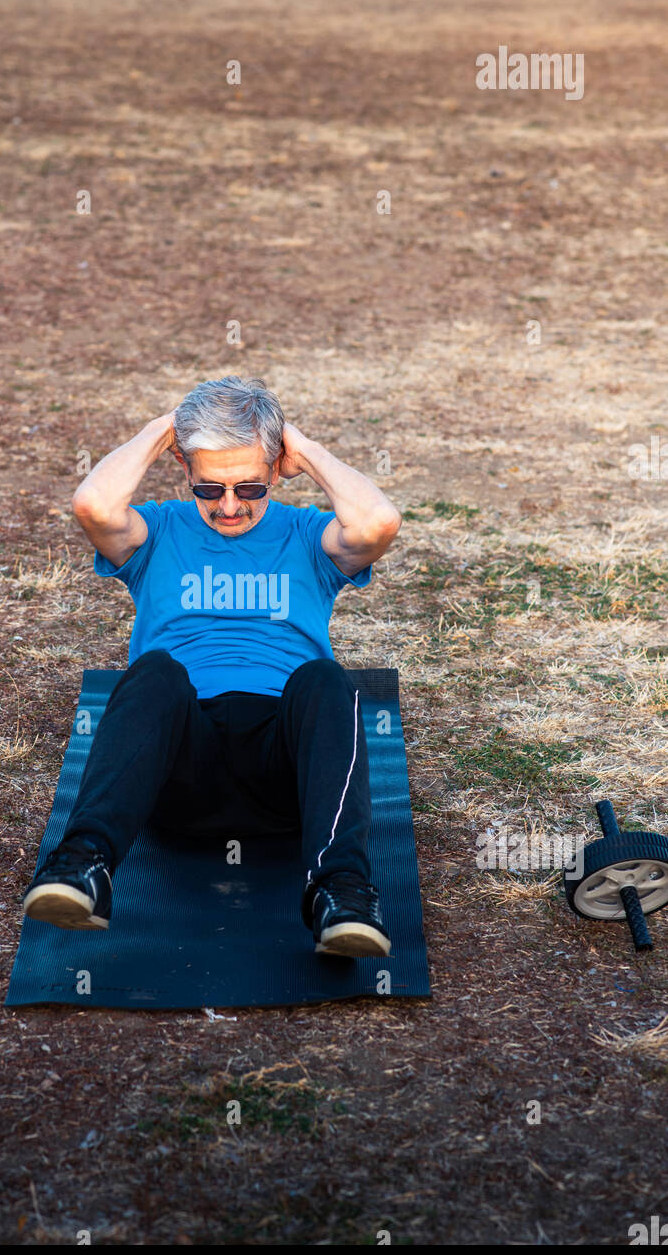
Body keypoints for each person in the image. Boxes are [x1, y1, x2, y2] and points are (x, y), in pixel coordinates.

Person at [22, 376, 402, 956]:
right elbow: (94, 505)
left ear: (276, 469)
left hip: (289, 782)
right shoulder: (159, 531)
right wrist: (161, 431)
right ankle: (83, 867)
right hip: (178, 775)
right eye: (210, 488)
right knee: (153, 672)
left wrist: (305, 449)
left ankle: (340, 890)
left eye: (249, 485)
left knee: (326, 680)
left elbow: (377, 523)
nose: (229, 506)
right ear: (183, 467)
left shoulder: (305, 535)